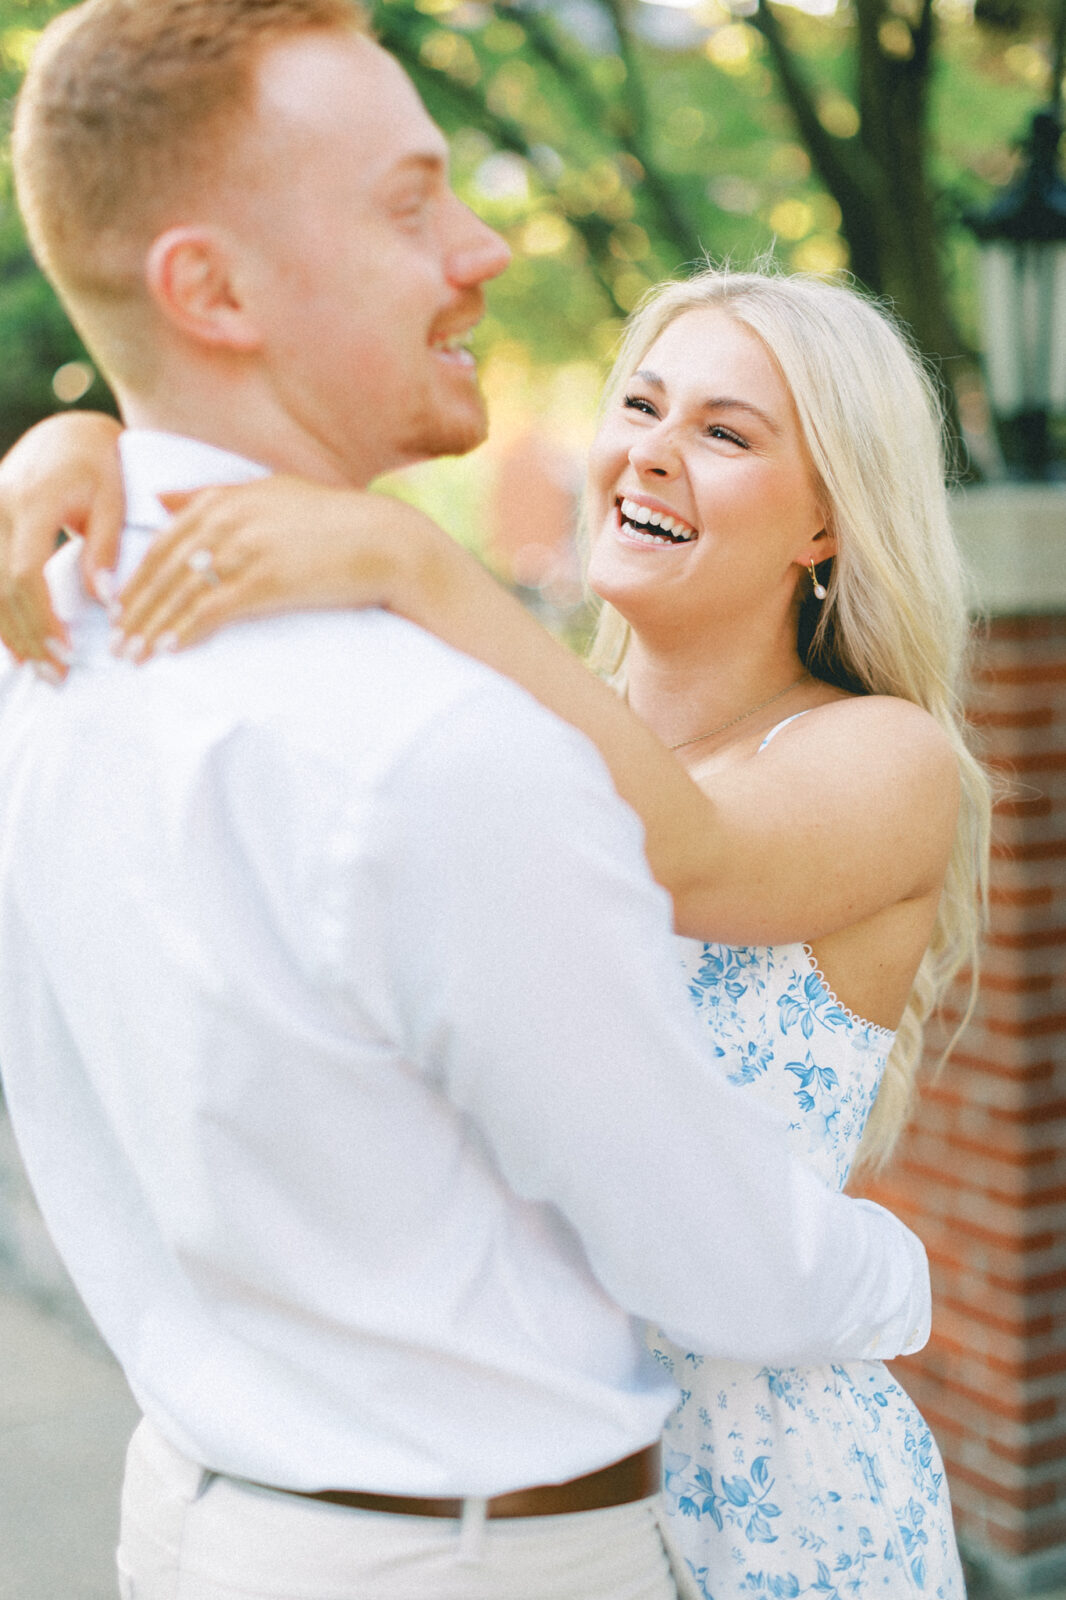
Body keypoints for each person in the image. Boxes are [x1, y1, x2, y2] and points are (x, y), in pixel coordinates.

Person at [0, 4, 937, 1600]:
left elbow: (691, 856)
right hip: (497, 1509)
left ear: (825, 528)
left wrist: (413, 553)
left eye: (725, 431)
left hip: (774, 1490)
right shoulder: (476, 727)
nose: (650, 451)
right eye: (638, 405)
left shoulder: (875, 757)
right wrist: (93, 435)